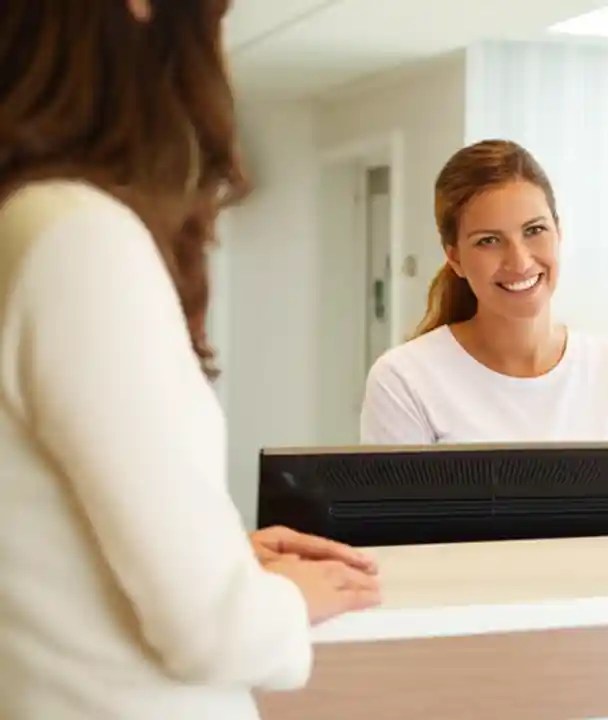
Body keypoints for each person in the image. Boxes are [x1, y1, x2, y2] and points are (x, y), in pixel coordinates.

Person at [0, 1, 380, 718]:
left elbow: (40, 542)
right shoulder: (78, 242)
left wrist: (219, 552)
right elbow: (212, 629)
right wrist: (284, 598)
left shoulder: (28, 225)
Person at [360, 139, 608, 445]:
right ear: (455, 258)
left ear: (559, 232)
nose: (520, 261)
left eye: (534, 230)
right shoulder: (405, 382)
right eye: (488, 240)